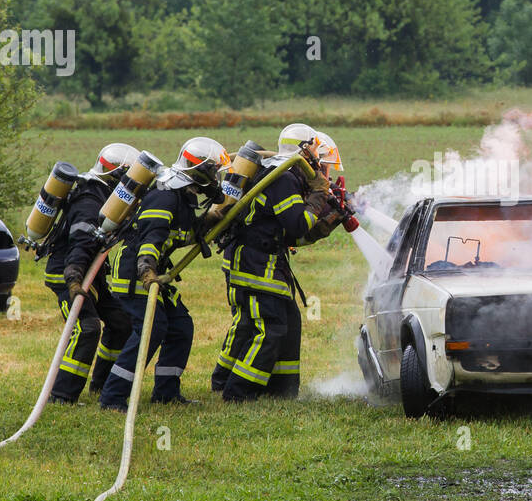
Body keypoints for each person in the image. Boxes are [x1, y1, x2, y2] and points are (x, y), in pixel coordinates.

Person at [211, 124, 348, 402]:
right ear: (305, 150)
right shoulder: (283, 178)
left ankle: (281, 389)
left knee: (286, 321)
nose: (323, 169)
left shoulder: (287, 176)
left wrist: (330, 219)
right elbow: (297, 225)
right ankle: (238, 392)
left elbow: (291, 236)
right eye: (319, 158)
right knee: (269, 326)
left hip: (262, 259)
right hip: (255, 263)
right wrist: (319, 196)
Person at [98, 137, 228, 411]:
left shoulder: (183, 195)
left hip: (155, 274)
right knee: (151, 330)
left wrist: (207, 223)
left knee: (180, 327)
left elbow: (179, 234)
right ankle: (112, 397)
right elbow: (152, 238)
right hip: (135, 274)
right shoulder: (166, 195)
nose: (216, 177)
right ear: (200, 170)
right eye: (213, 171)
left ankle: (166, 393)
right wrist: (147, 272)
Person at [43, 143, 139, 404]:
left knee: (121, 323)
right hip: (68, 273)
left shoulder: (105, 195)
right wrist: (73, 277)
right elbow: (82, 242)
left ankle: (102, 384)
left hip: (90, 274)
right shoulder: (90, 200)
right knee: (86, 328)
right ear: (117, 175)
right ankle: (62, 395)